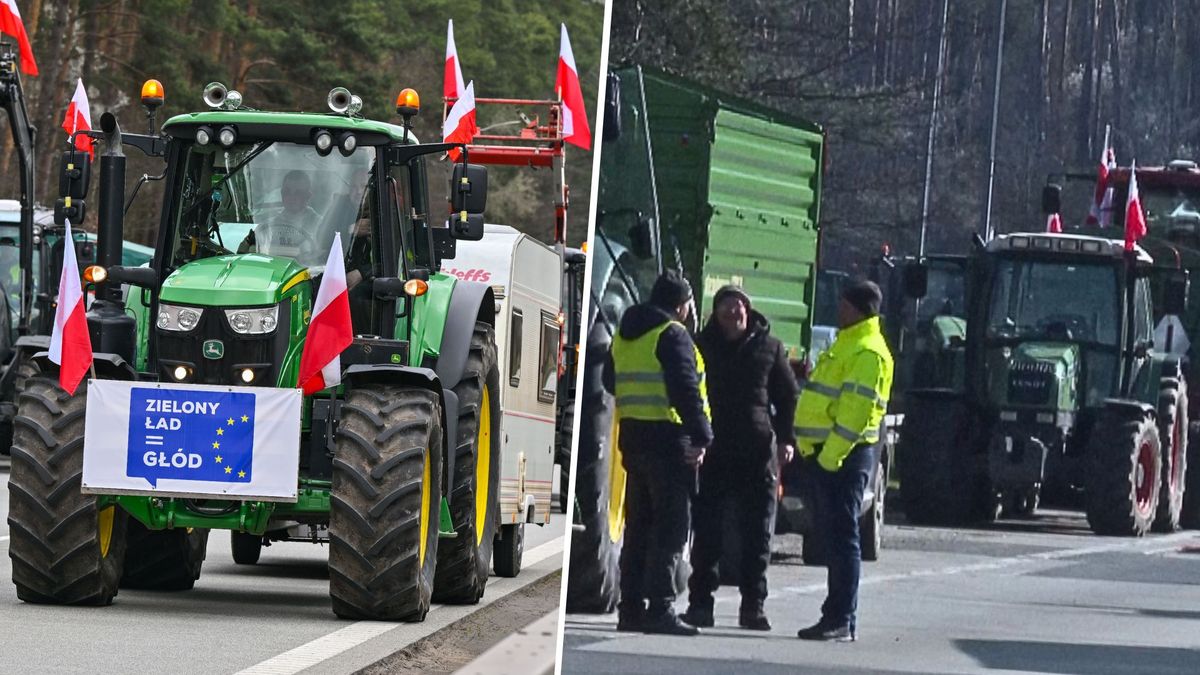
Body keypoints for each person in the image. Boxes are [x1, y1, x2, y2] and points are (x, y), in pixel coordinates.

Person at [682, 285, 798, 631]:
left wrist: (787, 439)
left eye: (739, 308)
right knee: (707, 536)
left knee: (757, 536)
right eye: (726, 309)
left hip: (757, 454)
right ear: (716, 314)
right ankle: (700, 605)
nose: (734, 314)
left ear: (749, 311)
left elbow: (790, 396)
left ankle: (753, 608)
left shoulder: (769, 347)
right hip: (714, 453)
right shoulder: (701, 346)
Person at [604, 270, 712, 636]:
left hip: (634, 445)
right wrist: (702, 436)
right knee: (670, 530)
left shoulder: (625, 332)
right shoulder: (672, 336)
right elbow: (686, 390)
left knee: (638, 529)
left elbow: (608, 380)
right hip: (668, 445)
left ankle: (630, 608)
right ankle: (661, 608)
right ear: (682, 306)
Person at [793, 279, 893, 642]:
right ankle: (834, 615)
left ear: (859, 308)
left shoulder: (867, 352)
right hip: (829, 456)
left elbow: (854, 415)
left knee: (843, 538)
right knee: (835, 539)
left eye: (845, 303)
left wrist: (828, 458)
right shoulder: (849, 343)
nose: (839, 308)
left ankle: (841, 618)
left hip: (844, 458)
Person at [238, 170, 321, 261]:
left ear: (308, 196)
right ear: (281, 193)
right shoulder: (266, 227)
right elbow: (243, 252)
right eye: (287, 192)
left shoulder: (321, 226)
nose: (291, 197)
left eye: (298, 193)